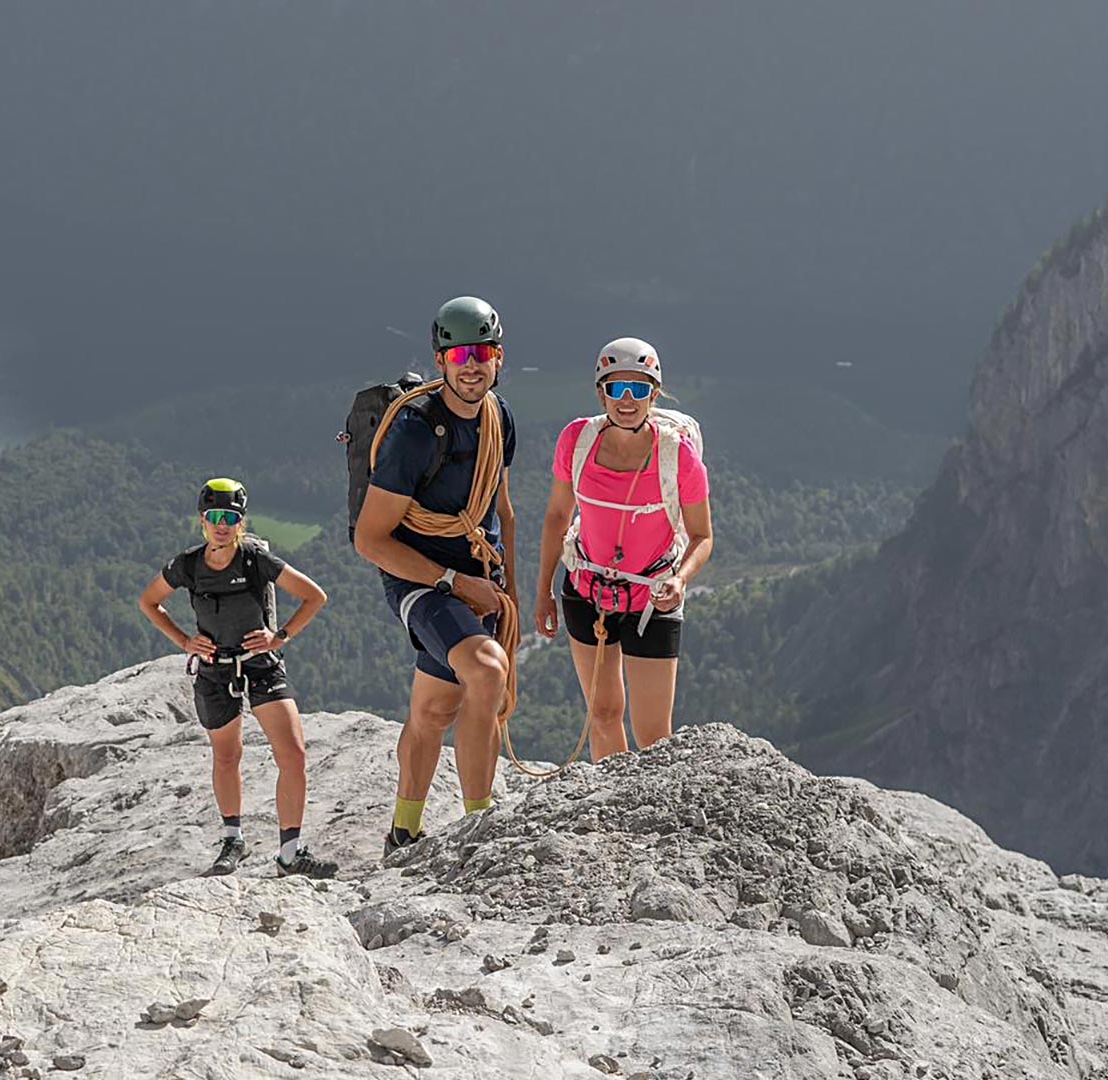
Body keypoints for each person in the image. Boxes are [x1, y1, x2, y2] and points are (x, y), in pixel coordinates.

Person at [353, 296, 518, 856]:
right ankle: (480, 824)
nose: (471, 365)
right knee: (486, 669)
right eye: (458, 354)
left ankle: (403, 831)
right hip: (420, 580)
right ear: (440, 360)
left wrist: (509, 590)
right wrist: (454, 582)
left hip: (476, 575)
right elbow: (369, 539)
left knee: (432, 710)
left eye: (482, 352)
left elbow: (501, 511)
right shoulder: (417, 434)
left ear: (499, 358)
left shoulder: (499, 419)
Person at [138, 478, 338, 878]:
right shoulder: (188, 565)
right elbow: (149, 601)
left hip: (260, 665)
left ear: (241, 521)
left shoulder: (255, 560)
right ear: (203, 520)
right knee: (227, 756)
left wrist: (278, 637)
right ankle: (233, 840)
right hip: (216, 671)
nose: (222, 525)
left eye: (230, 517)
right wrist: (183, 641)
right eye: (215, 517)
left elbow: (315, 596)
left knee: (294, 755)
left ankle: (290, 853)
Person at [533, 337, 713, 760]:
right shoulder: (576, 442)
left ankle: (653, 820)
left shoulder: (679, 457)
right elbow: (558, 516)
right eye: (616, 388)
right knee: (603, 713)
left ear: (655, 392)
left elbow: (702, 535)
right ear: (601, 392)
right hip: (585, 592)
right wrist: (543, 589)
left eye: (638, 388)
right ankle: (609, 809)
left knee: (653, 735)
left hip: (652, 597)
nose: (627, 399)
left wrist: (680, 581)